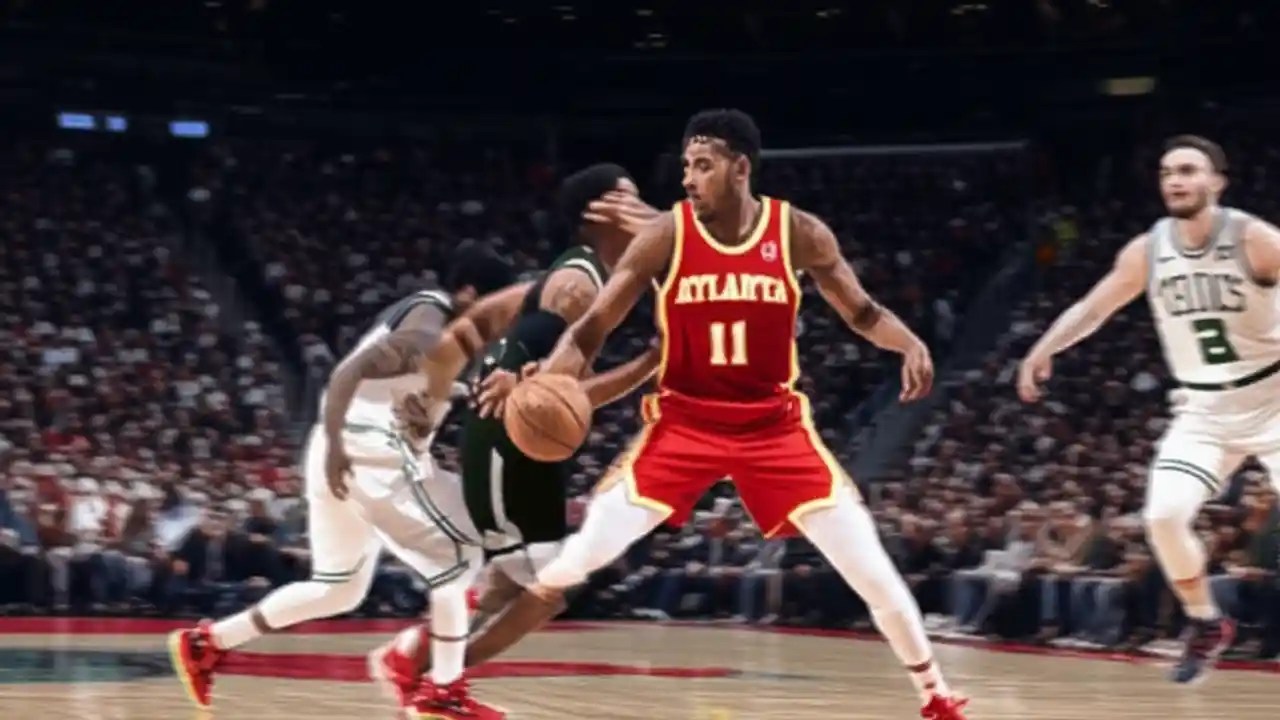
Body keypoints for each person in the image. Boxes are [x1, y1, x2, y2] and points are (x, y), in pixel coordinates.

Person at [477, 109, 968, 719]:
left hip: (774, 428)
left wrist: (910, 342)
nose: (688, 178)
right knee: (582, 557)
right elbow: (590, 328)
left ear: (741, 168)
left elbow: (862, 311)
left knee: (871, 570)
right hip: (685, 424)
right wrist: (546, 377)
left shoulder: (798, 232)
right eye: (685, 165)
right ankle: (448, 674)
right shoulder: (667, 236)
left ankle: (937, 698)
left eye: (702, 165)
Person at [167, 240, 524, 714]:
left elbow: (406, 380)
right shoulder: (430, 318)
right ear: (468, 292)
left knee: (340, 587)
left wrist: (466, 392)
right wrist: (337, 444)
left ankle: (207, 642)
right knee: (460, 552)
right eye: (500, 303)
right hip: (362, 447)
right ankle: (439, 688)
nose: (505, 316)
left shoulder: (449, 335)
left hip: (355, 449)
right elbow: (348, 371)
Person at [371, 163, 663, 719]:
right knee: (551, 587)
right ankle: (433, 681)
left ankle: (415, 661)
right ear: (597, 213)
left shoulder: (591, 279)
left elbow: (549, 383)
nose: (642, 209)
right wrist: (646, 364)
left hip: (514, 443)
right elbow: (550, 392)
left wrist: (649, 363)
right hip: (508, 442)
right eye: (629, 199)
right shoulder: (579, 285)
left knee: (512, 583)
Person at [1017, 134, 1280, 683]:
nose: (1176, 181)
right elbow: (1095, 307)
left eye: (1188, 170)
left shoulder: (1254, 238)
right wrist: (1044, 348)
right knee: (1162, 518)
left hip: (1274, 400)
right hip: (1204, 411)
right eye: (1167, 173)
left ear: (1217, 182)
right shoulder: (1148, 249)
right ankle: (1206, 621)